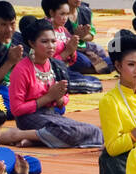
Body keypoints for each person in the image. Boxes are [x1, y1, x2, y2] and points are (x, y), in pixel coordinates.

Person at [64, 31, 136, 174]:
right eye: (131, 65)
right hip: (118, 160)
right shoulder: (110, 101)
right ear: (118, 66)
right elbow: (112, 148)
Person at [8, 15, 103, 148]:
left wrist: (59, 99)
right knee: (67, 131)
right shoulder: (21, 69)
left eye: (53, 41)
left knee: (95, 131)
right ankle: (22, 135)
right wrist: (48, 97)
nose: (51, 46)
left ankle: (37, 139)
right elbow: (17, 109)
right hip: (29, 118)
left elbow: (64, 98)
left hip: (51, 115)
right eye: (45, 42)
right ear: (31, 43)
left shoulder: (55, 65)